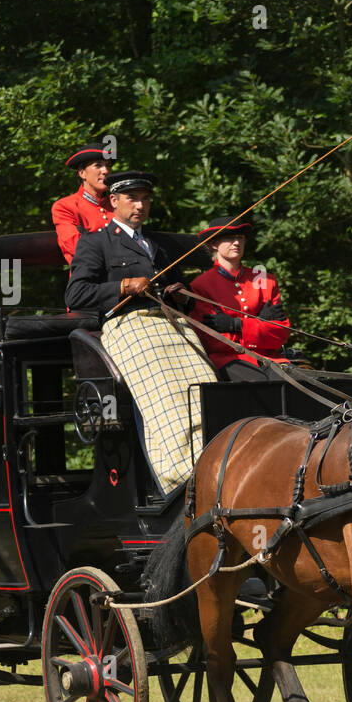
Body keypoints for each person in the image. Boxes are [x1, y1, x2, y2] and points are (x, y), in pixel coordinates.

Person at [65, 171, 217, 497]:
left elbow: (179, 287)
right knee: (167, 396)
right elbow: (76, 295)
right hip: (128, 327)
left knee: (205, 386)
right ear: (114, 201)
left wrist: (180, 293)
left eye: (145, 199)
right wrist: (123, 285)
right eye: (132, 198)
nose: (140, 205)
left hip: (170, 325)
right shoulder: (96, 242)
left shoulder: (157, 246)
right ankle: (180, 483)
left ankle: (215, 468)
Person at [187, 216, 291, 381]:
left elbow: (281, 333)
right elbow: (214, 341)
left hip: (273, 359)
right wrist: (259, 323)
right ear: (214, 243)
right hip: (229, 360)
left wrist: (236, 325)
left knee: (301, 386)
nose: (236, 242)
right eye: (229, 237)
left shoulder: (264, 279)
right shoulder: (201, 285)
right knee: (261, 388)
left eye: (240, 238)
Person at [51, 142, 115, 265]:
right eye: (98, 165)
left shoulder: (117, 204)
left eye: (108, 165)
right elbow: (77, 247)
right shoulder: (65, 206)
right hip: (90, 278)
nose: (106, 170)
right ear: (82, 173)